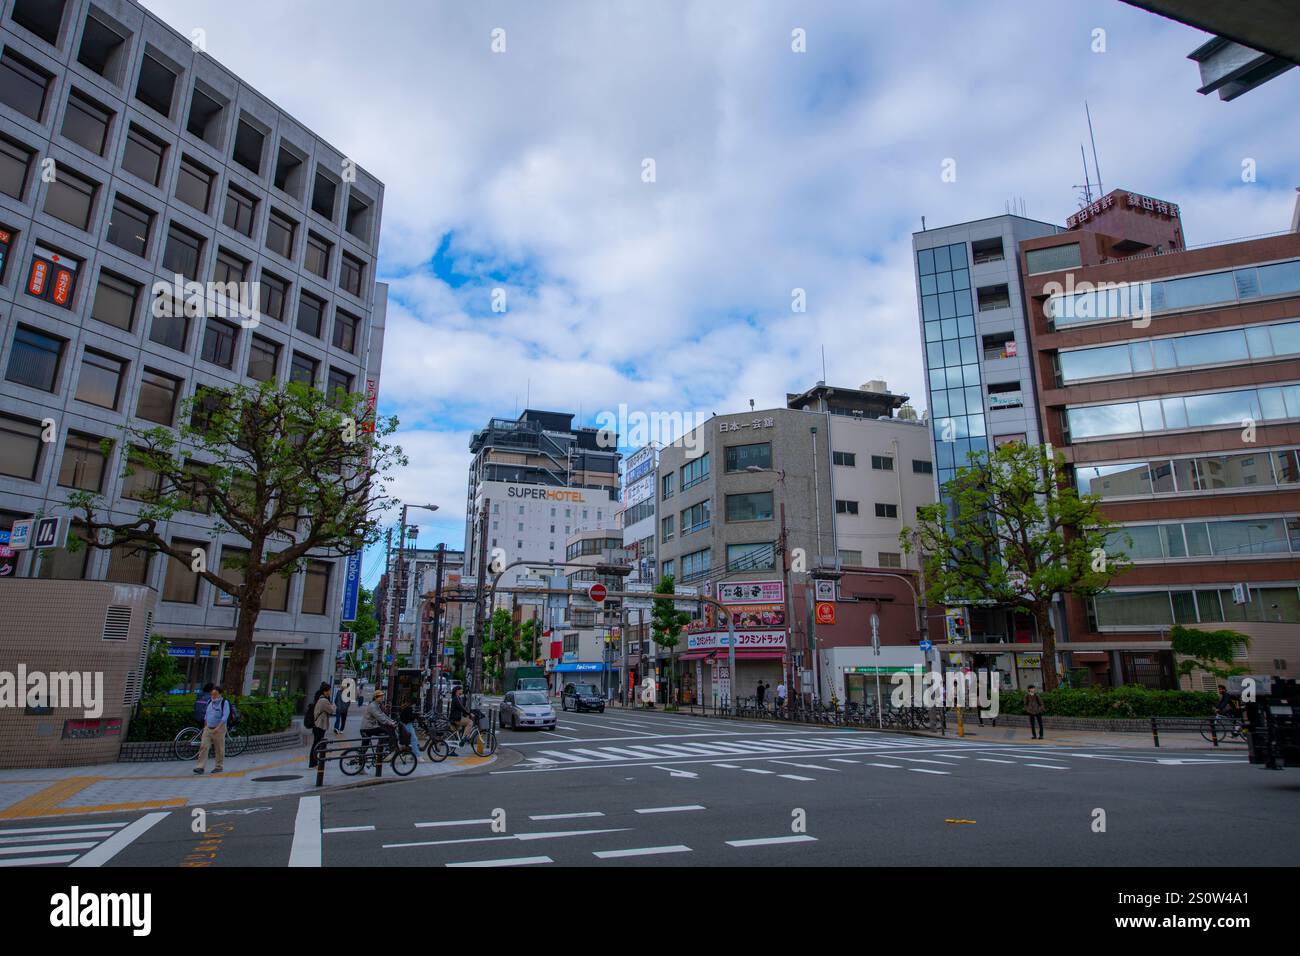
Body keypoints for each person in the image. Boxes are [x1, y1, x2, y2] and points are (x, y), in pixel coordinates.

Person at [193, 685, 230, 774]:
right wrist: (206, 725)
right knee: (204, 747)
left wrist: (218, 727)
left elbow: (225, 717)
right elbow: (206, 714)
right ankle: (200, 767)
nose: (213, 696)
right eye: (212, 694)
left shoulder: (224, 702)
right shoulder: (209, 701)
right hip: (208, 728)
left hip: (219, 729)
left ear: (220, 694)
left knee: (219, 748)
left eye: (215, 694)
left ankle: (219, 766)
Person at [360, 689, 398, 759]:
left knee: (365, 746)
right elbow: (380, 717)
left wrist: (391, 721)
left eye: (382, 697)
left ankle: (361, 762)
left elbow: (383, 715)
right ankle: (379, 751)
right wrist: (390, 723)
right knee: (386, 733)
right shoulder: (373, 706)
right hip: (368, 728)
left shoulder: (376, 705)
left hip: (368, 727)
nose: (382, 698)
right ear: (376, 697)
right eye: (380, 697)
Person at [309, 682, 335, 767]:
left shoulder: (320, 698)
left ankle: (314, 762)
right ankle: (313, 762)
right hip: (319, 725)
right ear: (325, 691)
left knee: (316, 744)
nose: (330, 692)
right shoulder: (324, 701)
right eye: (329, 690)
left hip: (317, 725)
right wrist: (333, 705)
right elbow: (331, 710)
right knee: (317, 744)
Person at [447, 686, 474, 752]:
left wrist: (466, 714)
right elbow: (461, 708)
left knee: (455, 736)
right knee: (470, 722)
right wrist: (469, 714)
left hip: (455, 717)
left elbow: (461, 708)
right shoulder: (456, 698)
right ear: (457, 691)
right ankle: (463, 739)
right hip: (456, 718)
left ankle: (452, 751)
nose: (462, 690)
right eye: (461, 689)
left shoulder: (457, 698)